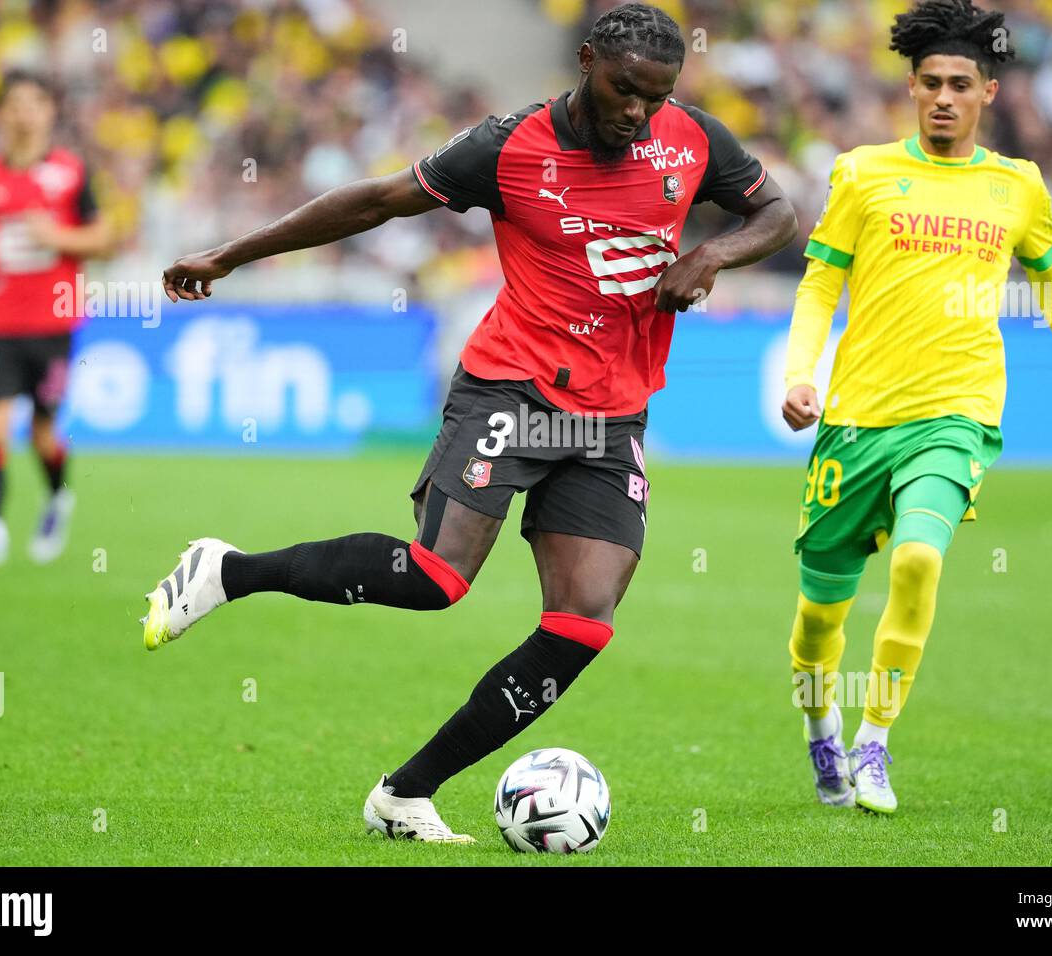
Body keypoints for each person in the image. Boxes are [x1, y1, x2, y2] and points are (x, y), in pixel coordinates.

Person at [143, 3, 797, 842]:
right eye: (625, 90)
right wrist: (229, 255)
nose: (638, 114)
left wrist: (710, 255)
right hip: (513, 391)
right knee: (437, 579)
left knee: (581, 623)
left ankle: (405, 794)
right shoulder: (507, 146)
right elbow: (377, 201)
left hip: (609, 417)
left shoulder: (693, 139)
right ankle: (229, 570)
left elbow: (776, 212)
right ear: (587, 60)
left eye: (656, 97)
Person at [780, 0, 1052, 815]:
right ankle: (821, 723)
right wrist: (800, 373)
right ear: (911, 89)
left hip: (957, 412)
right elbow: (819, 282)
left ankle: (875, 744)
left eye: (960, 83)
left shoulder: (1017, 187)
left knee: (919, 560)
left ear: (989, 92)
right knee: (819, 621)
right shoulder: (863, 173)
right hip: (855, 422)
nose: (943, 96)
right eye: (929, 83)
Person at [0, 70, 112, 566]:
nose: (24, 113)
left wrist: (56, 238)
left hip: (53, 324)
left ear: (48, 111)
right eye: (15, 103)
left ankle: (57, 497)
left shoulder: (70, 173)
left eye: (35, 102)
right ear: (1, 113)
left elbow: (103, 236)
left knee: (41, 432)